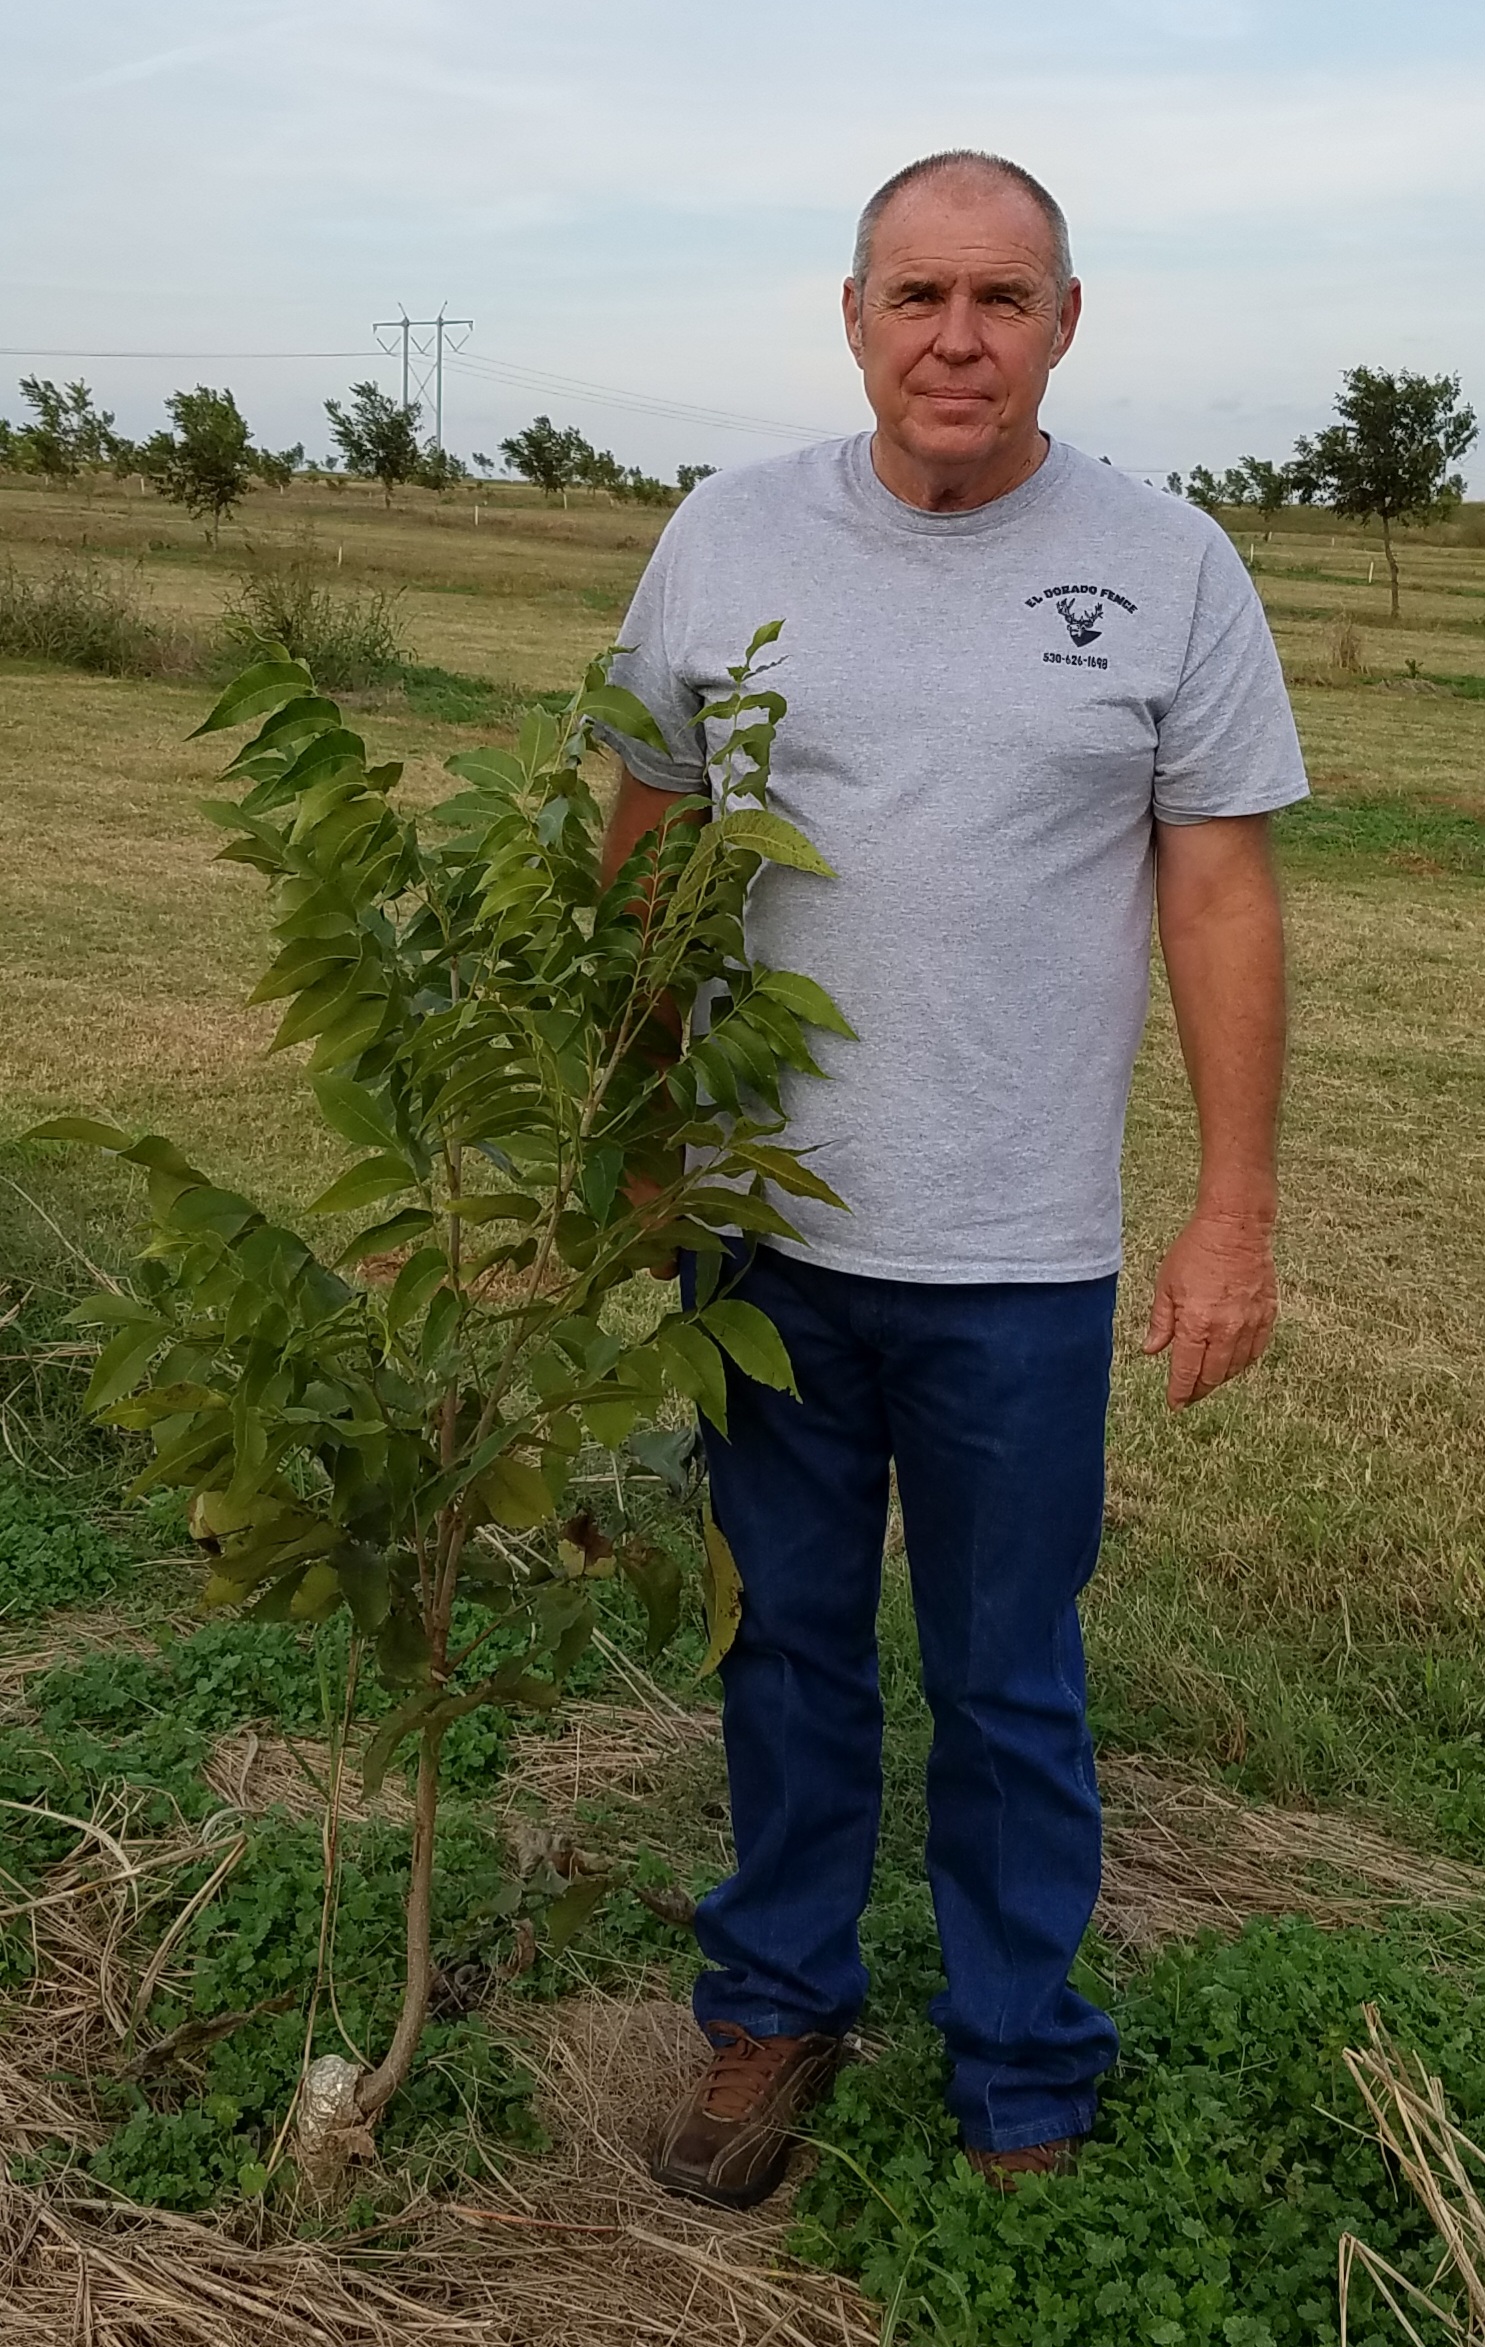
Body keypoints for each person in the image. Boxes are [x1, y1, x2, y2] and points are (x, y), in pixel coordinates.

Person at [596, 148, 1308, 2208]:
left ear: (1064, 325)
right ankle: (770, 2014)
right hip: (760, 1233)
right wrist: (623, 1137)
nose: (956, 338)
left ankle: (1018, 2085)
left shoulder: (1166, 566)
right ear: (850, 316)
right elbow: (635, 850)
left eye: (1000, 299)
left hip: (1011, 1254)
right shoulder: (726, 537)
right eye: (916, 296)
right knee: (785, 1646)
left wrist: (1229, 1211)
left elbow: (1219, 895)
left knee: (1007, 1678)